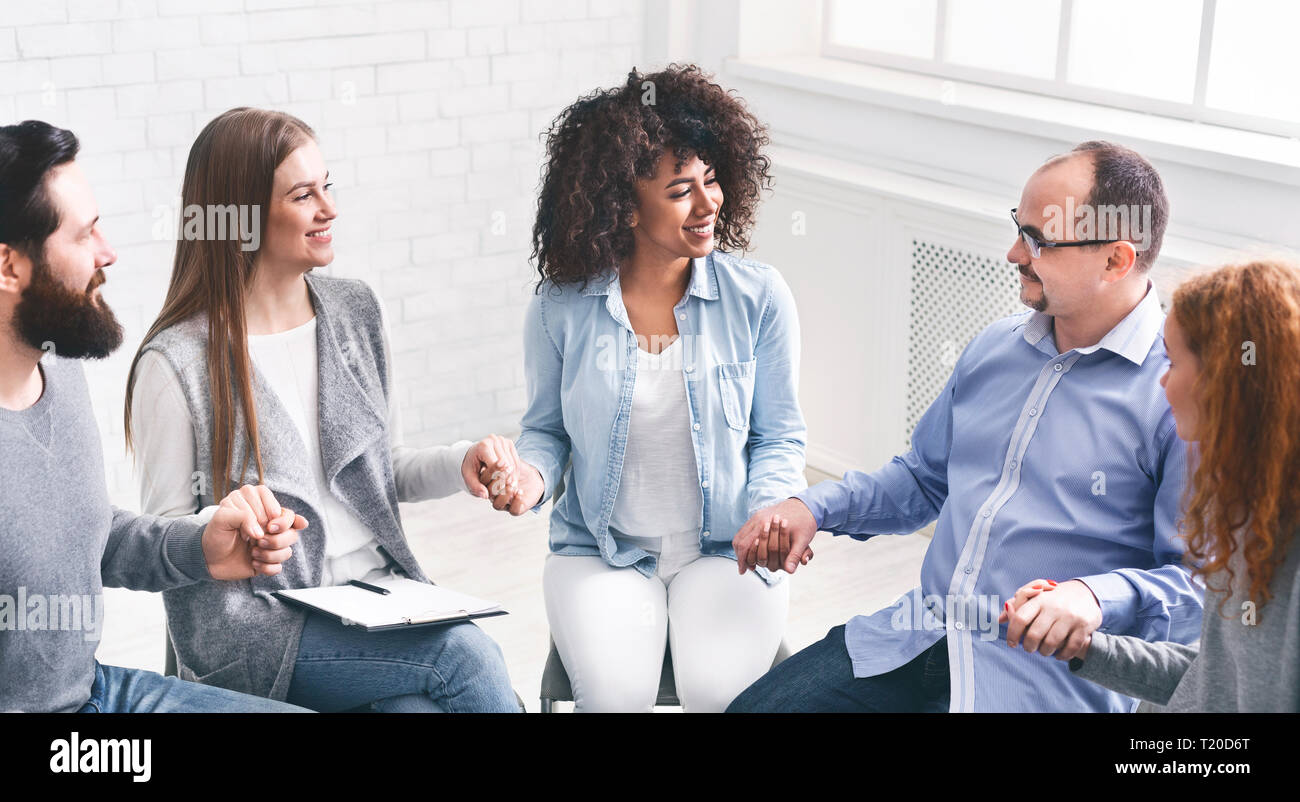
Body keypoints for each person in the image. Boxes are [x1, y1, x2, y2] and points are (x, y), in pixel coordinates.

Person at [728, 140, 1204, 713]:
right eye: (1018, 227)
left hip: (1040, 684)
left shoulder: (1184, 394)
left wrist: (1092, 596)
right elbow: (926, 479)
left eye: (1039, 241)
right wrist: (814, 507)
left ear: (1116, 260)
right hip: (916, 637)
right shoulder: (997, 348)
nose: (1013, 254)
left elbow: (1200, 584)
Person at [123, 108, 519, 713]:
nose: (328, 209)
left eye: (326, 187)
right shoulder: (176, 362)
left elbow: (385, 467)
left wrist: (462, 462)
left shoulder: (354, 310)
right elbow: (162, 546)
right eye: (303, 195)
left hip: (378, 599)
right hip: (262, 629)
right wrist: (224, 525)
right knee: (465, 658)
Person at [482, 65, 810, 712]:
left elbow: (780, 436)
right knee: (615, 698)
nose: (708, 203)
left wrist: (776, 507)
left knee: (718, 694)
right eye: (681, 189)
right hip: (601, 552)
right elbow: (546, 434)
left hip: (728, 548)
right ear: (625, 206)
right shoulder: (561, 308)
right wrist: (528, 480)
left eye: (712, 181)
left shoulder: (760, 298)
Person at [0, 119, 309, 713]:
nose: (107, 253)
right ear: (10, 268)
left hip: (96, 692)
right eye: (84, 235)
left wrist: (202, 547)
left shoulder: (57, 367)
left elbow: (87, 536)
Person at [1007, 257, 1300, 712]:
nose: (1162, 383)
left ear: (1227, 382)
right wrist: (1087, 647)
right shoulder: (1251, 517)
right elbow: (1210, 681)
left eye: (1174, 363)